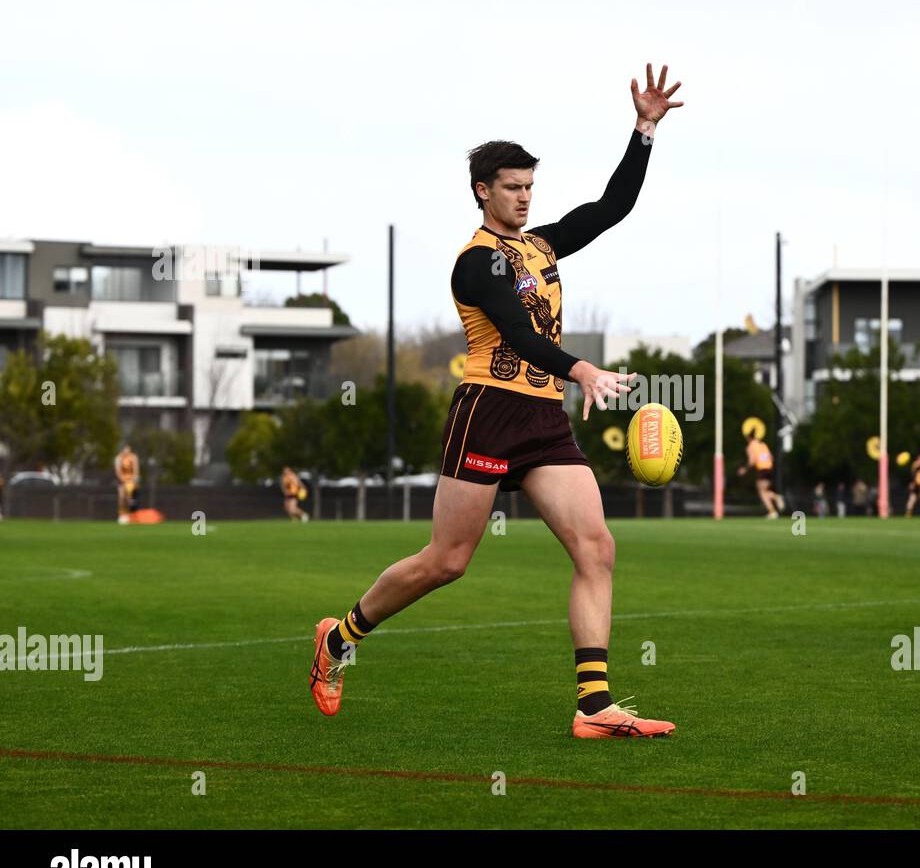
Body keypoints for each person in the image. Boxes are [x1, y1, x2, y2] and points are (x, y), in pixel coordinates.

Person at [309, 63, 683, 738]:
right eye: (512, 188)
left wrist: (644, 131)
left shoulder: (540, 244)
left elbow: (611, 208)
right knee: (447, 562)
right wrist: (582, 370)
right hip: (488, 411)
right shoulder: (476, 261)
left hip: (543, 419)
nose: (524, 198)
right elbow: (517, 331)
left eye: (530, 187)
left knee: (596, 548)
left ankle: (594, 707)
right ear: (482, 192)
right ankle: (340, 636)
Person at [737, 428, 783, 518]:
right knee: (764, 491)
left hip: (762, 470)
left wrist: (744, 469)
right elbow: (771, 457)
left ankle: (773, 508)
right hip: (770, 469)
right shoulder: (762, 444)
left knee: (762, 492)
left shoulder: (750, 446)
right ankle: (774, 503)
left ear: (749, 438)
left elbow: (752, 460)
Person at [114, 444, 139, 524]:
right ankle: (121, 515)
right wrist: (123, 480)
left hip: (131, 481)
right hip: (122, 480)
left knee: (130, 498)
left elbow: (136, 470)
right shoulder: (118, 458)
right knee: (121, 497)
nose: (127, 451)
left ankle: (129, 515)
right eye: (125, 449)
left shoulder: (133, 457)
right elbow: (117, 471)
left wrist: (134, 480)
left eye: (128, 449)